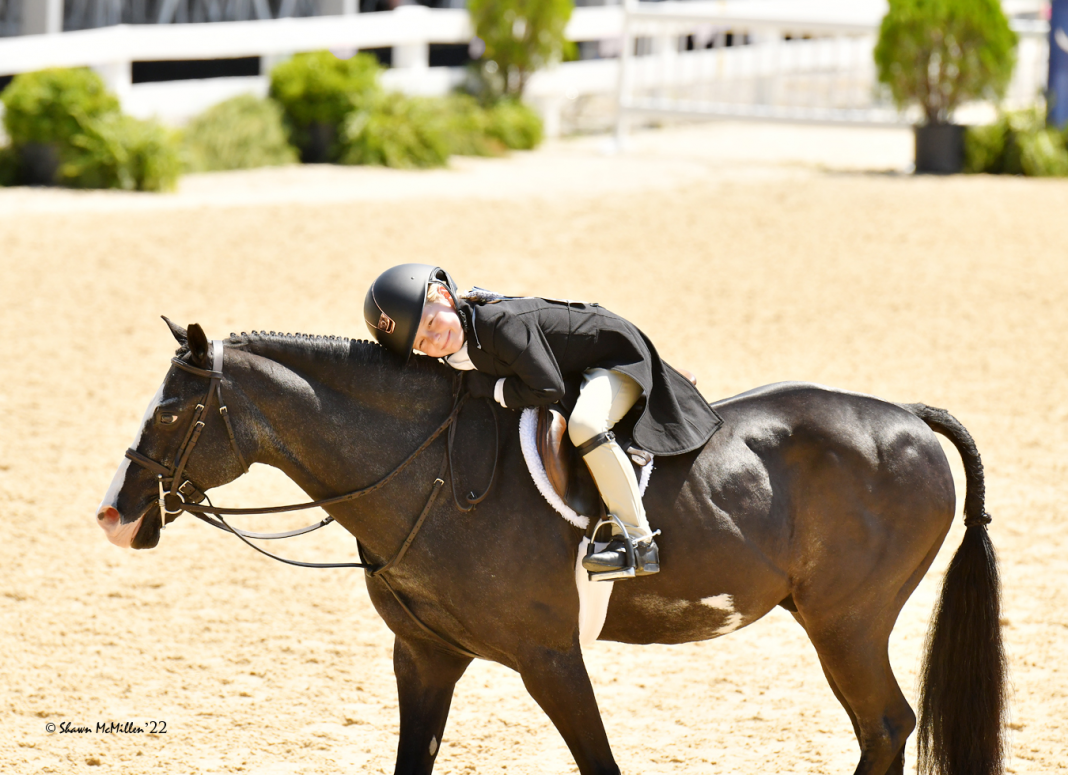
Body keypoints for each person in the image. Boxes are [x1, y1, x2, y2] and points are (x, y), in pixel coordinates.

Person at [364, 263, 722, 579]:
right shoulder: (459, 346)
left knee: (586, 425)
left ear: (444, 294)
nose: (434, 340)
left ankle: (639, 541)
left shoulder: (495, 323)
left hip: (615, 359)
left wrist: (493, 389)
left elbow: (547, 388)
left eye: (430, 322)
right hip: (572, 368)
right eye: (421, 343)